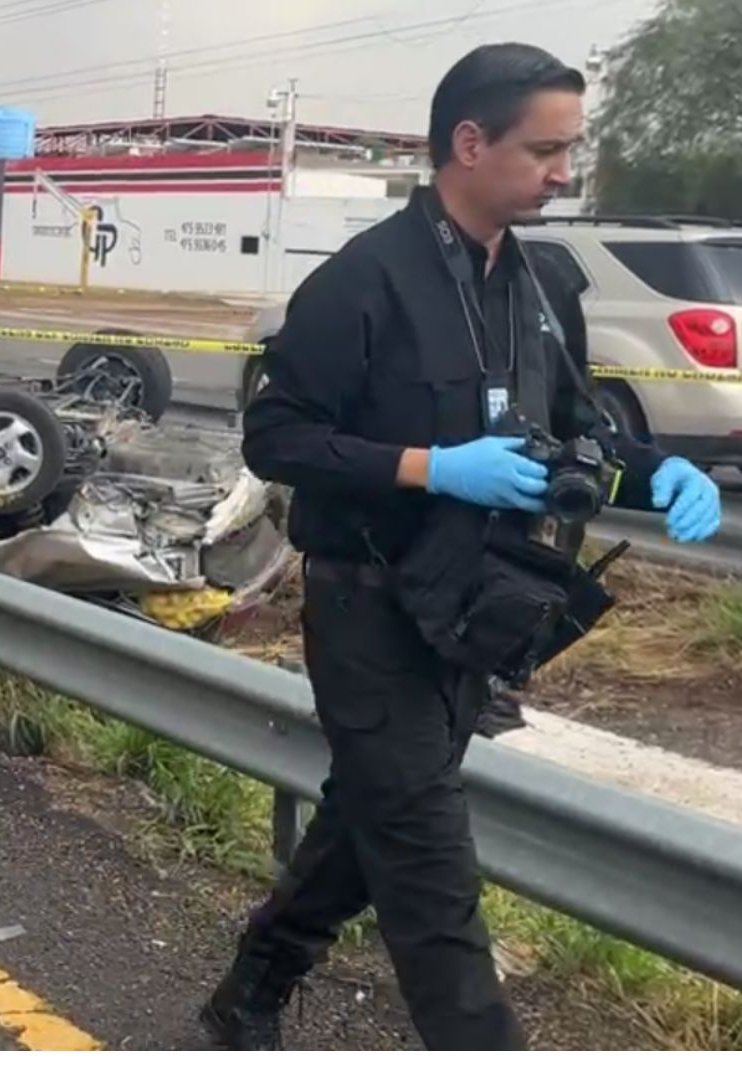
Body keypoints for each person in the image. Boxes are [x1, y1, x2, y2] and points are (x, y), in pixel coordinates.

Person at [206, 42, 724, 1052]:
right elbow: (276, 439)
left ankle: (251, 990)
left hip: (478, 610)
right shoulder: (363, 282)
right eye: (546, 151)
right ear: (470, 143)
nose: (565, 173)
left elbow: (578, 427)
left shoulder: (540, 289)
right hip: (369, 611)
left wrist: (652, 470)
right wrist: (431, 467)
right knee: (432, 868)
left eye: (570, 149)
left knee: (376, 818)